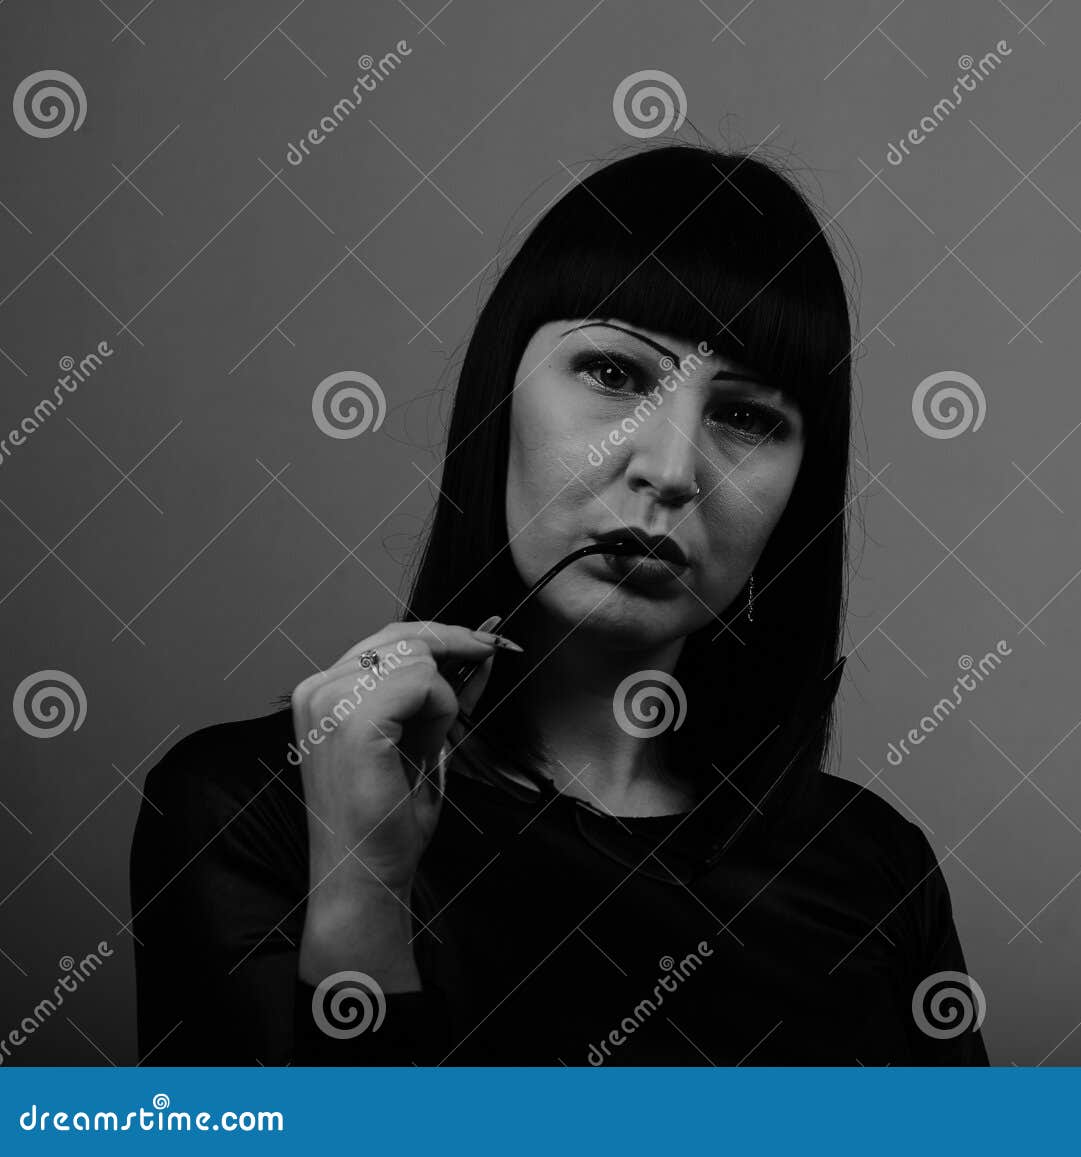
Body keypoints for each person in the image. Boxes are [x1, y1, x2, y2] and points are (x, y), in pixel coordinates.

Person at [129, 143, 989, 1065]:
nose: (666, 468)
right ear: (499, 397)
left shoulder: (873, 870)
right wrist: (361, 888)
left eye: (745, 418)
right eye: (615, 375)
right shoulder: (256, 808)